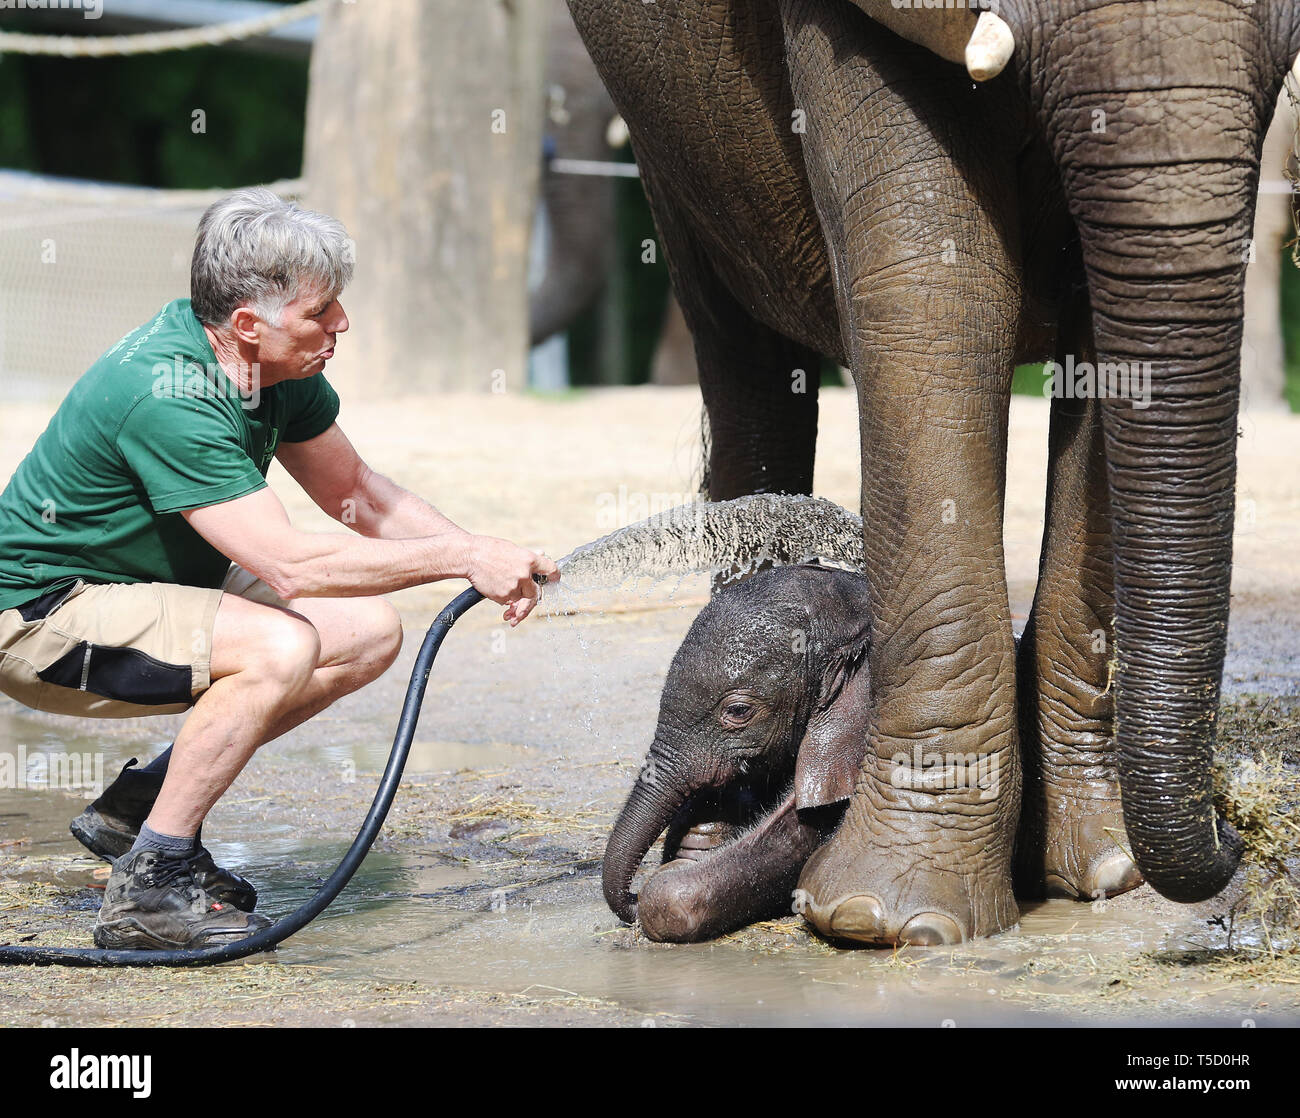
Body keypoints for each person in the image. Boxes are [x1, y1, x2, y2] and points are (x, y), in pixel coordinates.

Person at [0, 187, 558, 949]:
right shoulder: (171, 393)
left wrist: (484, 558)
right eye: (321, 310)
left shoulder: (273, 368)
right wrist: (462, 557)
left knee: (366, 631)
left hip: (141, 587)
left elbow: (356, 494)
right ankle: (150, 891)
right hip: (44, 620)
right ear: (248, 324)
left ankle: (141, 809)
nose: (342, 324)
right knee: (281, 645)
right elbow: (292, 565)